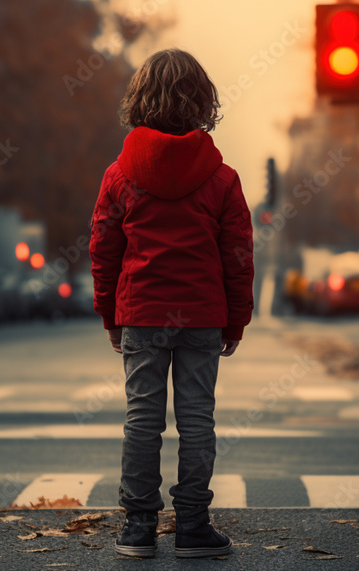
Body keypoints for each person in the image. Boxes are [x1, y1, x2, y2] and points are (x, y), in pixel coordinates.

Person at [88, 48, 255, 559]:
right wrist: (236, 320)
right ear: (202, 101)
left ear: (141, 100)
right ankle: (193, 527)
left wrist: (109, 314)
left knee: (142, 418)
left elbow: (104, 250)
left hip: (142, 312)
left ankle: (138, 527)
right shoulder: (221, 179)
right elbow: (238, 256)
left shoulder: (120, 175)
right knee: (197, 419)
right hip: (203, 315)